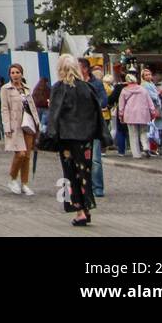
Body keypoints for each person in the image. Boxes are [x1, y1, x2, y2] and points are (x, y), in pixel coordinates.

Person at [46, 54, 105, 227]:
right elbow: (97, 112)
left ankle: (80, 210)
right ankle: (87, 207)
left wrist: (50, 134)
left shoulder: (59, 88)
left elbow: (54, 114)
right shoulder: (87, 88)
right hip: (85, 137)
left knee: (71, 174)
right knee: (85, 172)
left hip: (68, 138)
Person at [1, 63, 40, 195]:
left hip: (28, 124)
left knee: (27, 156)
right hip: (15, 125)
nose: (15, 75)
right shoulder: (6, 89)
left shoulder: (27, 88)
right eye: (12, 73)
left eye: (17, 72)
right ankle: (12, 178)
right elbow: (4, 109)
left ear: (21, 74)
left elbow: (32, 106)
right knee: (20, 154)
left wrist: (37, 123)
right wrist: (7, 126)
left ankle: (24, 183)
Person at [118, 73, 158, 160]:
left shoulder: (124, 91)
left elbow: (121, 105)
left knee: (133, 135)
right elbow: (150, 102)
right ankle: (146, 147)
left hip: (130, 115)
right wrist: (152, 112)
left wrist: (121, 115)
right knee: (143, 132)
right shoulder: (143, 90)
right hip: (143, 114)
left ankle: (136, 154)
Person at [86, 64, 109, 196]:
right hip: (77, 126)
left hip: (93, 124)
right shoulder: (73, 82)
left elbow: (104, 101)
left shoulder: (97, 84)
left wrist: (92, 106)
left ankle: (98, 187)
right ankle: (83, 185)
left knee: (95, 158)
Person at [141, 69, 162, 155]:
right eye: (146, 75)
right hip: (151, 108)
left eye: (149, 74)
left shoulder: (152, 84)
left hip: (156, 107)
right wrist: (158, 93)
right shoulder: (145, 85)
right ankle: (150, 147)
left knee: (155, 128)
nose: (148, 76)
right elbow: (150, 95)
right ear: (143, 77)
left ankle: (154, 148)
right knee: (151, 128)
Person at [107, 73, 129, 156]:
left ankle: (122, 151)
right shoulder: (137, 86)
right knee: (134, 131)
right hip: (135, 111)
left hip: (122, 110)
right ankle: (136, 150)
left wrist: (109, 105)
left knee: (121, 130)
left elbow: (111, 99)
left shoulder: (119, 87)